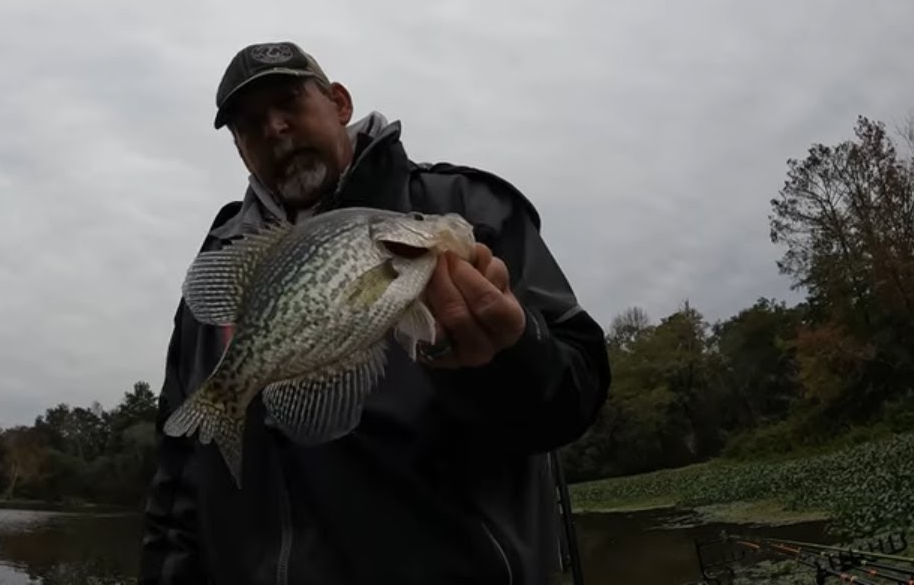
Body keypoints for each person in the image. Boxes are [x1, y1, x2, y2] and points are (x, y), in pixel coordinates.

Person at [140, 41, 611, 585]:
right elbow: (177, 485)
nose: (274, 128)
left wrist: (511, 358)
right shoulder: (223, 259)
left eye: (290, 101)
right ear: (243, 153)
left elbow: (575, 394)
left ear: (339, 103)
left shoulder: (464, 206)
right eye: (249, 125)